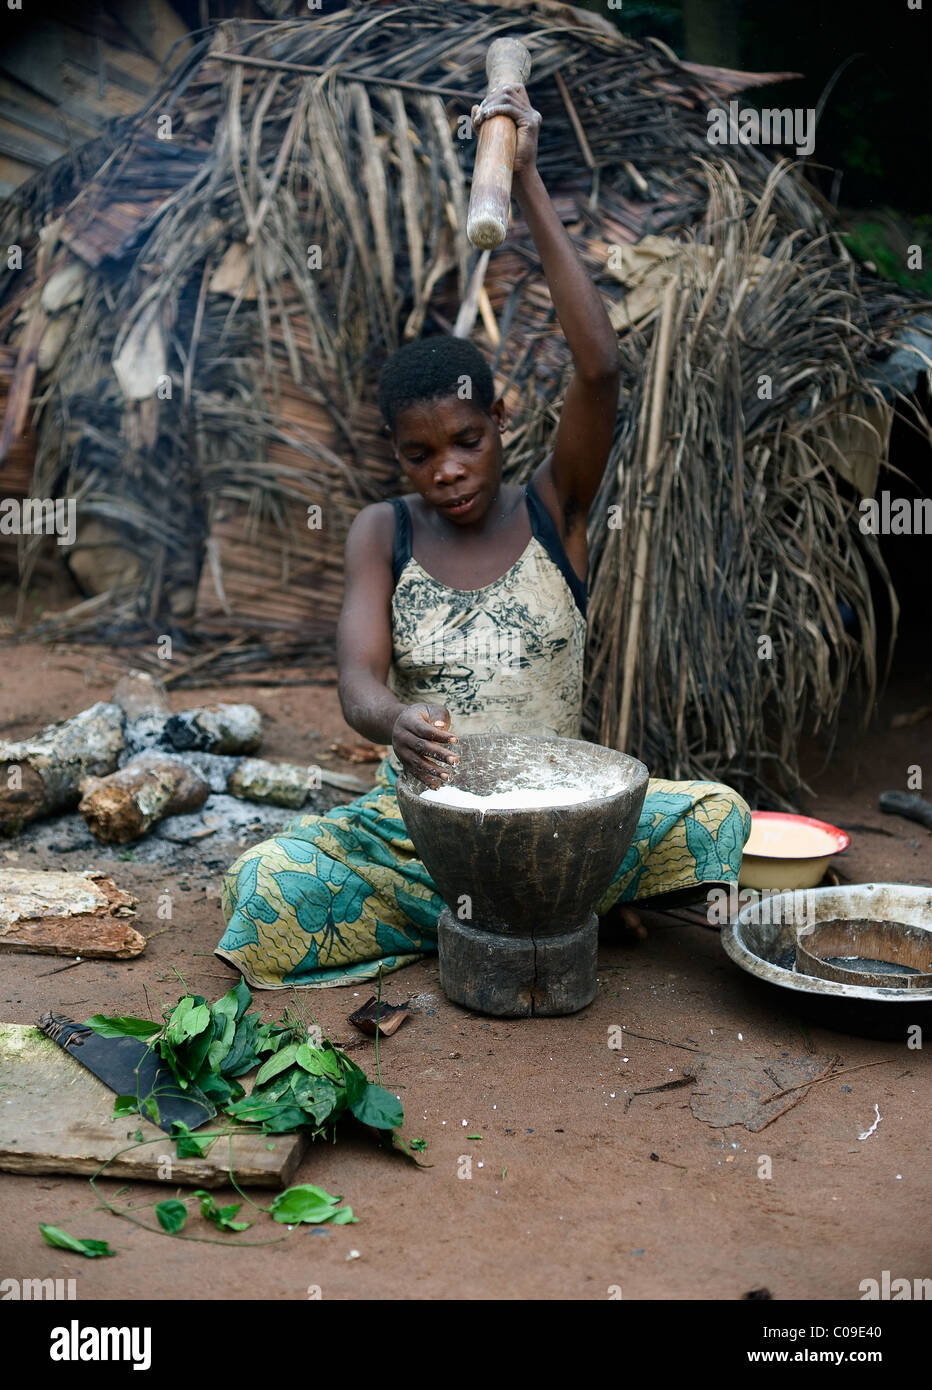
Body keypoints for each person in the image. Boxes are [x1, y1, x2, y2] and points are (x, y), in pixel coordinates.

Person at [215, 81, 750, 989]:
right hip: (423, 829)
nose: (449, 470)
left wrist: (530, 182)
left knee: (717, 816)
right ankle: (539, 913)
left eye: (466, 441)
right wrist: (396, 721)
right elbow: (355, 681)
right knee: (264, 886)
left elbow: (602, 367)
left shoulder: (556, 509)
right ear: (397, 457)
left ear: (500, 423)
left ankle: (539, 901)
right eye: (422, 455)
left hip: (561, 824)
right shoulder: (381, 533)